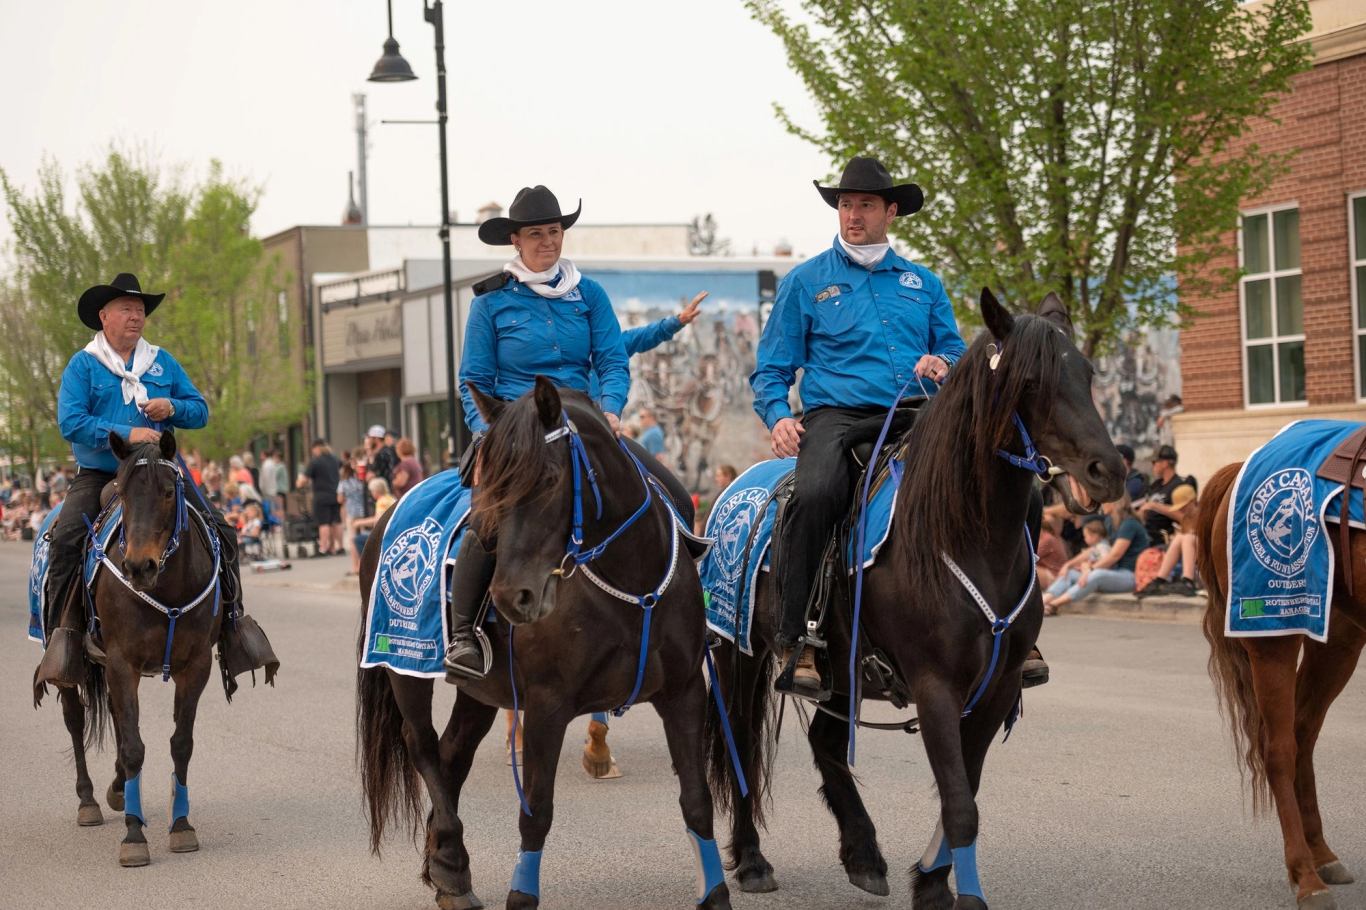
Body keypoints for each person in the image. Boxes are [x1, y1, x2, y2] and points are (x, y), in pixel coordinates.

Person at [444, 184, 697, 679]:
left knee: (673, 494)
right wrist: (491, 434)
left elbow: (611, 358)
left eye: (554, 232)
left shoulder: (590, 293)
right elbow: (472, 381)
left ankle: (688, 610)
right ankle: (465, 636)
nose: (548, 242)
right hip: (515, 429)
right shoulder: (490, 303)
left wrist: (611, 409)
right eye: (536, 234)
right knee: (487, 521)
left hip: (582, 423)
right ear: (515, 241)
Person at [749, 156, 967, 696]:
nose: (853, 214)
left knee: (994, 478)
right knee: (818, 492)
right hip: (838, 417)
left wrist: (945, 364)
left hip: (918, 414)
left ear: (890, 212)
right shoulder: (805, 282)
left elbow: (956, 349)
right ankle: (797, 637)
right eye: (846, 204)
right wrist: (778, 417)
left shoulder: (925, 282)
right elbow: (772, 369)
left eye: (865, 204)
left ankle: (1012, 623)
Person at [34, 272, 275, 688]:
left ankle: (233, 628)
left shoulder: (162, 361)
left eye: (140, 310)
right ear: (104, 316)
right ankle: (65, 640)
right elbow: (70, 421)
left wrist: (172, 407)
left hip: (160, 472)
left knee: (222, 531)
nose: (136, 317)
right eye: (127, 309)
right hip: (102, 473)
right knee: (68, 538)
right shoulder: (83, 365)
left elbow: (199, 409)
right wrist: (127, 434)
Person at [1041, 496, 1149, 612]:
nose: (1101, 505)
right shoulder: (1110, 522)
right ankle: (1043, 601)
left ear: (1113, 503)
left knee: (1097, 575)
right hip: (1114, 572)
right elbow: (1094, 550)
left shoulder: (1129, 524)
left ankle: (1053, 605)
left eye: (1104, 502)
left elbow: (1115, 555)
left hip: (1131, 576)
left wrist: (1090, 570)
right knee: (1070, 573)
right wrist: (1069, 564)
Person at [1135, 444, 1197, 545]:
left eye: (1154, 462)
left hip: (1165, 541)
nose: (1153, 465)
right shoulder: (1156, 485)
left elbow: (1186, 518)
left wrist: (1156, 506)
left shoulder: (1180, 486)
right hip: (1147, 537)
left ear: (1165, 463)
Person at [299, 439, 342, 556]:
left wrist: (299, 482)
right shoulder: (335, 459)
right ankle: (338, 547)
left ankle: (323, 548)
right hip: (336, 494)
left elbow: (303, 480)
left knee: (324, 523)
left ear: (316, 448)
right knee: (336, 522)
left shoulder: (315, 462)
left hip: (321, 496)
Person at [350, 477, 396, 558]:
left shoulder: (381, 502)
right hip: (393, 531)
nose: (371, 493)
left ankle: (363, 565)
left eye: (372, 491)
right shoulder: (391, 498)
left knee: (356, 540)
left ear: (376, 491)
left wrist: (359, 522)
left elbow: (377, 520)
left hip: (383, 534)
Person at [338, 461, 368, 575]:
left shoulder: (344, 482)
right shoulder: (361, 481)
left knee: (353, 540)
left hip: (351, 513)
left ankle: (355, 567)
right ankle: (363, 565)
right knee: (364, 538)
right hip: (363, 512)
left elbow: (340, 499)